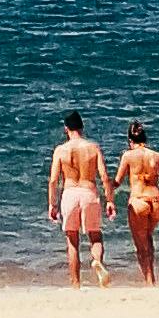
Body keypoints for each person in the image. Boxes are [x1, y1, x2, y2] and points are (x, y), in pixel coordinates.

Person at [47, 110, 111, 287]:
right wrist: (110, 200)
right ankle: (97, 260)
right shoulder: (93, 148)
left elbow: (53, 180)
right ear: (82, 127)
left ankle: (76, 283)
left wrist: (52, 204)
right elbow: (104, 176)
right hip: (89, 192)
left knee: (72, 240)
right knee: (95, 236)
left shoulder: (61, 150)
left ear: (66, 129)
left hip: (70, 193)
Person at [114, 117, 159, 285]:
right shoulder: (157, 156)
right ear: (145, 139)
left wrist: (106, 189)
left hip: (138, 200)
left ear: (130, 140)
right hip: (156, 201)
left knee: (141, 246)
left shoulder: (128, 156)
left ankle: (149, 280)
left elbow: (118, 181)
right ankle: (151, 276)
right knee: (148, 237)